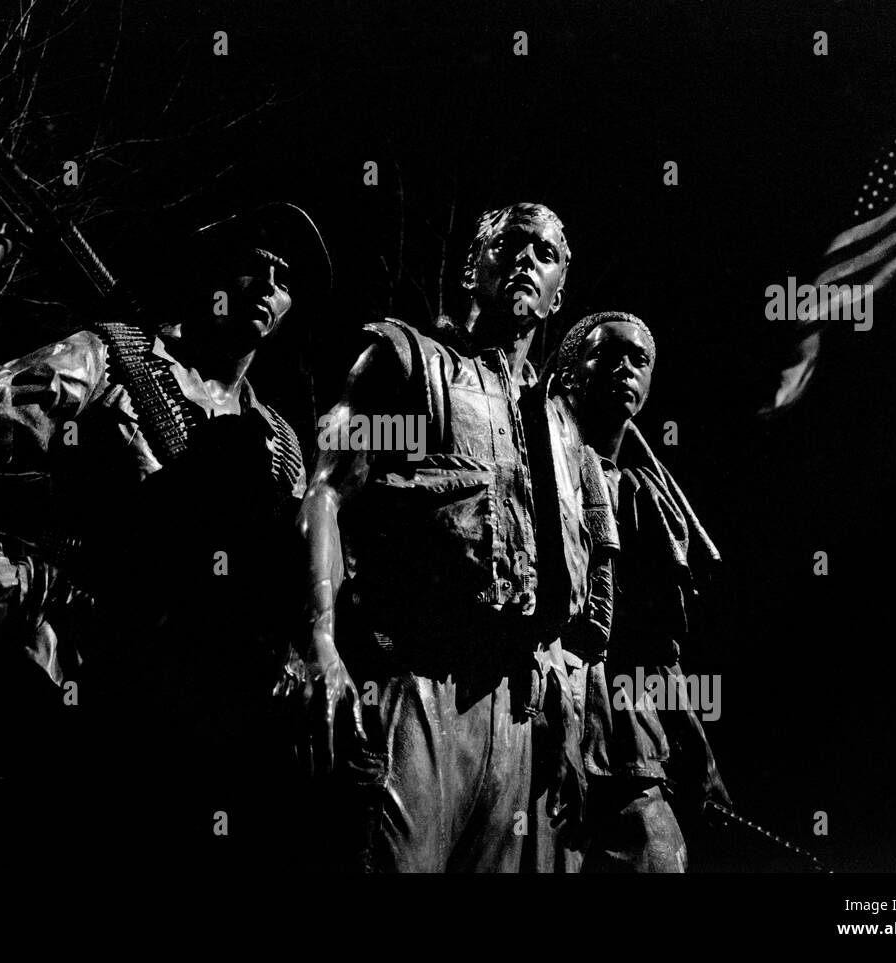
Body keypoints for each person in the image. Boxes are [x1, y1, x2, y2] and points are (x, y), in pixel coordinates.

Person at [0, 202, 330, 871]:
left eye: (286, 277)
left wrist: (300, 659)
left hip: (217, 725)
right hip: (96, 685)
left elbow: (294, 587)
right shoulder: (115, 356)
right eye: (256, 264)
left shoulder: (280, 443)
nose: (269, 286)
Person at [288, 202, 595, 872]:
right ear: (470, 269)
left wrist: (567, 722)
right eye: (509, 244)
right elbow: (327, 491)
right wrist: (320, 644)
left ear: (558, 295)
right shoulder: (406, 360)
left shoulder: (563, 432)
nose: (524, 260)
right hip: (416, 682)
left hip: (519, 718)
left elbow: (568, 603)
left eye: (544, 254)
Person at [544, 311, 730, 872]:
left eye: (639, 360)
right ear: (572, 371)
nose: (625, 367)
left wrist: (697, 753)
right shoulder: (537, 468)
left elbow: (656, 649)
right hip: (534, 728)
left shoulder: (641, 498)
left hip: (625, 744)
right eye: (608, 355)